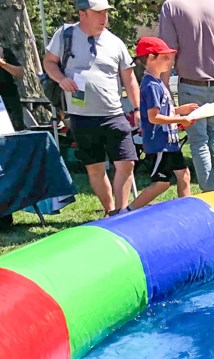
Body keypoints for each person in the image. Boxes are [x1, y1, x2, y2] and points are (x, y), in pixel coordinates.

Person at [43, 0, 140, 216]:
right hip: (81, 115)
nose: (104, 18)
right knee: (95, 167)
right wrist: (60, 79)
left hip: (114, 113)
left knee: (127, 163)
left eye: (106, 12)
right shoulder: (64, 35)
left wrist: (137, 108)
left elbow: (129, 78)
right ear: (82, 13)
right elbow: (49, 62)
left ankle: (121, 210)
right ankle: (109, 210)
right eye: (98, 13)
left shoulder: (115, 42)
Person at [158, 0, 214, 190]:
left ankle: (209, 189)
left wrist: (164, 86)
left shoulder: (171, 6)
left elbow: (168, 52)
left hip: (191, 84)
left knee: (198, 140)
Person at [121, 37, 196, 213]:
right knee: (161, 183)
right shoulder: (151, 85)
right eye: (165, 57)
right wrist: (180, 120)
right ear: (151, 58)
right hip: (160, 143)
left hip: (169, 142)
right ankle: (129, 210)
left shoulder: (158, 82)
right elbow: (153, 117)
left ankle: (187, 210)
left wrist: (179, 110)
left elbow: (163, 110)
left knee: (184, 175)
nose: (169, 62)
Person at [0, 46, 25, 131]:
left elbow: (20, 72)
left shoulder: (5, 52)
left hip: (9, 96)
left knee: (16, 129)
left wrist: (2, 64)